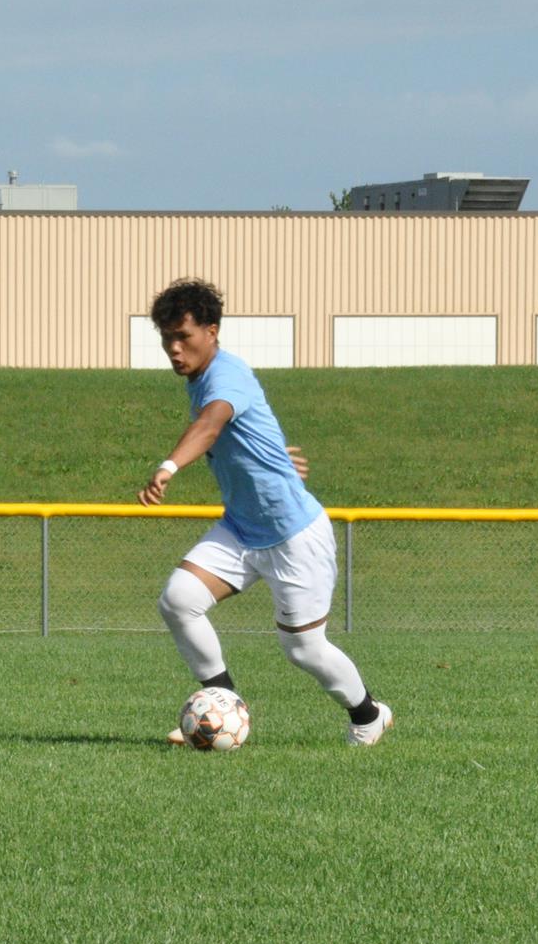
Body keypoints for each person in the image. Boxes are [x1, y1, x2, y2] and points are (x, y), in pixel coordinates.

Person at [136, 277, 392, 746]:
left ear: (211, 332)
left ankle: (369, 714)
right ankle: (221, 706)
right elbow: (240, 436)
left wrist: (169, 466)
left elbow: (211, 425)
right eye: (167, 338)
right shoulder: (201, 379)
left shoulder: (225, 375)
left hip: (293, 535)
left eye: (183, 337)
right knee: (178, 600)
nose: (174, 348)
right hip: (241, 528)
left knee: (304, 649)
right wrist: (274, 458)